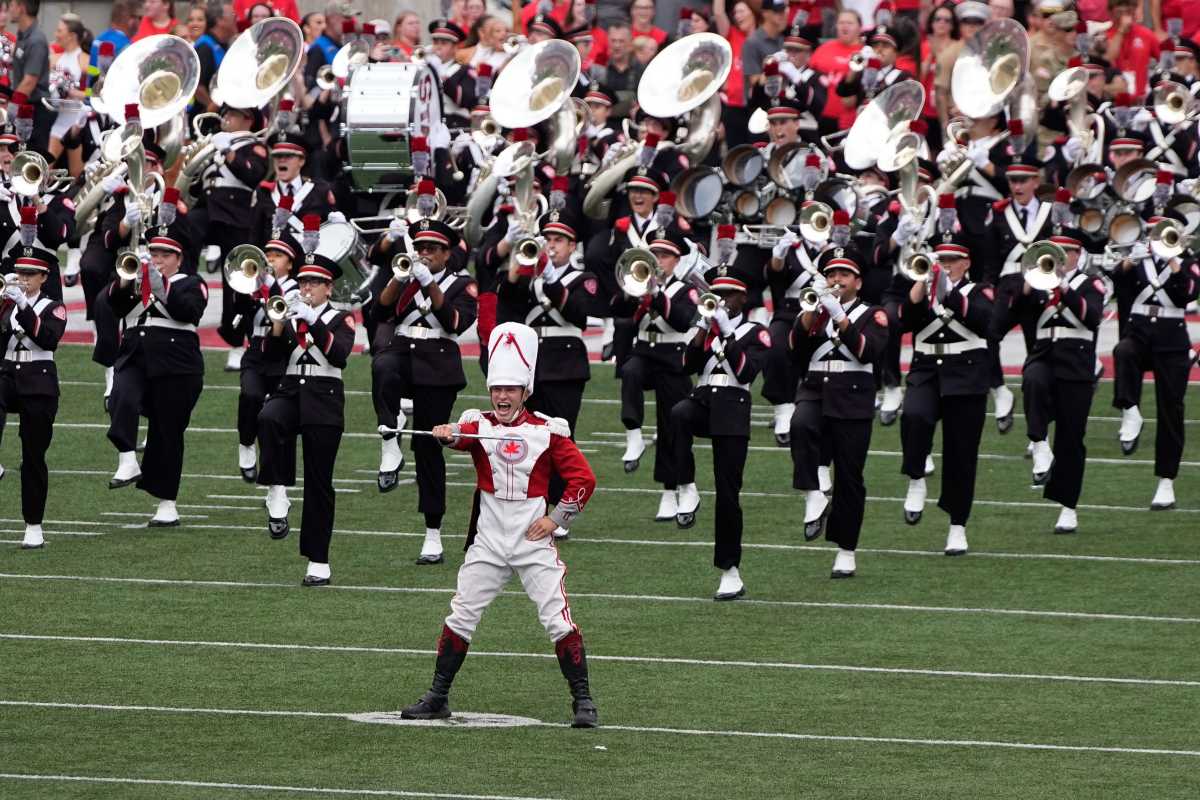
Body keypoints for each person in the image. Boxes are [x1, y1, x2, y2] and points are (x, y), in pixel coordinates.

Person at [400, 322, 599, 729]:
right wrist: (444, 433)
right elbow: (458, 437)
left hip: (531, 540)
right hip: (489, 541)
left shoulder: (549, 431)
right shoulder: (481, 424)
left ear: (526, 391)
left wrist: (555, 519)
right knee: (461, 615)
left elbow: (584, 480)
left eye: (511, 389)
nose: (502, 396)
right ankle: (438, 696)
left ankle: (584, 701)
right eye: (497, 389)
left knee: (557, 618)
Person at [370, 218, 478, 565]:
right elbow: (379, 312)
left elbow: (455, 323)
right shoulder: (405, 275)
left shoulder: (462, 284)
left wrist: (430, 283)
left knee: (430, 447)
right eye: (420, 247)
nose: (424, 253)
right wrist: (400, 277)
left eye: (432, 248)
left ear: (447, 253)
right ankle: (389, 442)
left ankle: (433, 533)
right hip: (401, 352)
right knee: (382, 368)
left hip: (439, 365)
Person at [257, 237, 356, 586]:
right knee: (269, 418)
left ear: (329, 287)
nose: (306, 288)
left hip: (324, 397)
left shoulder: (342, 318)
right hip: (289, 390)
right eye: (302, 282)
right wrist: (280, 323)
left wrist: (313, 319)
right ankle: (278, 490)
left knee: (319, 482)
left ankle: (318, 560)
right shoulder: (290, 310)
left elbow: (339, 354)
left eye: (313, 282)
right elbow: (268, 355)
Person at [992, 232, 1105, 533]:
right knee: (1032, 380)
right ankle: (1039, 442)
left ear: (1078, 256)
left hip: (1076, 364)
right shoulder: (1034, 285)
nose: (1058, 259)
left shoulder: (1091, 284)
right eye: (1053, 253)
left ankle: (1068, 507)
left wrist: (1063, 286)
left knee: (1071, 438)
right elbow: (1000, 324)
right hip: (1042, 355)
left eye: (1065, 252)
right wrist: (1024, 292)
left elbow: (1091, 317)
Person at [789, 250, 889, 579]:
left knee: (850, 477)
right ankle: (813, 493)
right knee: (800, 424)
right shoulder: (815, 309)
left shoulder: (873, 314)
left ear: (857, 282)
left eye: (844, 275)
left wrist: (842, 320)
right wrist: (812, 315)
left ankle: (846, 549)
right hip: (816, 388)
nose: (836, 280)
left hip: (853, 397)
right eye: (832, 274)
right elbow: (795, 350)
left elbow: (868, 351)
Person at [669, 277, 769, 600]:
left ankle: (730, 571)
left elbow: (747, 372)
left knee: (728, 493)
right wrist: (704, 328)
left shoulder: (756, 331)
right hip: (703, 400)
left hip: (733, 408)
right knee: (679, 414)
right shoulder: (707, 327)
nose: (722, 300)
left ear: (742, 296)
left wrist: (727, 332)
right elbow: (687, 366)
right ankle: (686, 488)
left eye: (728, 294)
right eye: (717, 294)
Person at [105, 217, 208, 528]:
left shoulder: (193, 283)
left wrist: (160, 285)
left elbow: (189, 312)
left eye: (165, 254)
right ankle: (127, 458)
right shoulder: (139, 278)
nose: (158, 259)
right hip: (136, 352)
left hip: (177, 362)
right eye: (154, 252)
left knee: (167, 431)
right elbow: (114, 306)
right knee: (120, 395)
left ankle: (167, 503)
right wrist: (126, 281)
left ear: (178, 258)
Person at [898, 237, 994, 556]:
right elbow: (904, 320)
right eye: (941, 259)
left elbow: (984, 321)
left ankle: (957, 526)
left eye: (952, 259)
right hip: (926, 368)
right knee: (913, 416)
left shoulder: (980, 291)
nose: (946, 265)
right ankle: (916, 477)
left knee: (961, 455)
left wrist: (946, 292)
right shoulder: (924, 289)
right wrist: (921, 281)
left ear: (966, 263)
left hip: (967, 374)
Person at [1110, 220, 1198, 511]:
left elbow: (1189, 292)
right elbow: (1117, 281)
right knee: (1123, 352)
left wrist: (1174, 259)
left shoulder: (1187, 263)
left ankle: (1166, 481)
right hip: (1139, 334)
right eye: (1155, 234)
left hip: (1172, 342)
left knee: (1171, 408)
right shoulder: (1139, 260)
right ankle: (1130, 410)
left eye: (1165, 234)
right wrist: (1128, 261)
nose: (1159, 239)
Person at [611, 228, 697, 521]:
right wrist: (630, 290)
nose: (658, 260)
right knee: (630, 371)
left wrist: (658, 294)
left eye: (665, 255)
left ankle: (670, 491)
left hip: (673, 359)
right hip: (645, 354)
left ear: (676, 260)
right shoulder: (639, 282)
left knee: (672, 425)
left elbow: (684, 321)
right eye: (655, 254)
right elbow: (616, 309)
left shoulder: (686, 289)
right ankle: (633, 434)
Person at [0, 231, 67, 550]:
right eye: (20, 273)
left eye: (30, 274)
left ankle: (33, 524)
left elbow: (47, 338)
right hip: (6, 374)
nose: (23, 279)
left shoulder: (54, 307)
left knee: (33, 456)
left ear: (43, 277)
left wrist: (22, 304)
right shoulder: (6, 303)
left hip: (38, 380)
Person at [9, 0, 53, 158]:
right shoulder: (23, 36)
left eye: (12, 5)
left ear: (22, 8)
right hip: (25, 106)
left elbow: (30, 81)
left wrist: (13, 105)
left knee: (32, 158)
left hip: (35, 111)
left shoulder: (36, 40)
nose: (10, 9)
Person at [713, 0, 759, 147]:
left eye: (742, 11)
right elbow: (719, 12)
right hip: (734, 107)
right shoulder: (732, 34)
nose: (738, 16)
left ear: (753, 13)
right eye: (735, 12)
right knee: (736, 155)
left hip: (757, 107)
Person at [810, 7, 864, 132]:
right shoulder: (824, 48)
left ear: (860, 27)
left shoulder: (864, 53)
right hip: (821, 116)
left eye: (850, 23)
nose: (845, 26)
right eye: (841, 23)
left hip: (850, 120)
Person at [47, 15, 91, 161]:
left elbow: (96, 94)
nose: (56, 34)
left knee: (76, 174)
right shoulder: (54, 59)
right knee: (46, 168)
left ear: (72, 35)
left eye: (60, 31)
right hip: (59, 120)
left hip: (77, 123)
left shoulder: (85, 61)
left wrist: (73, 92)